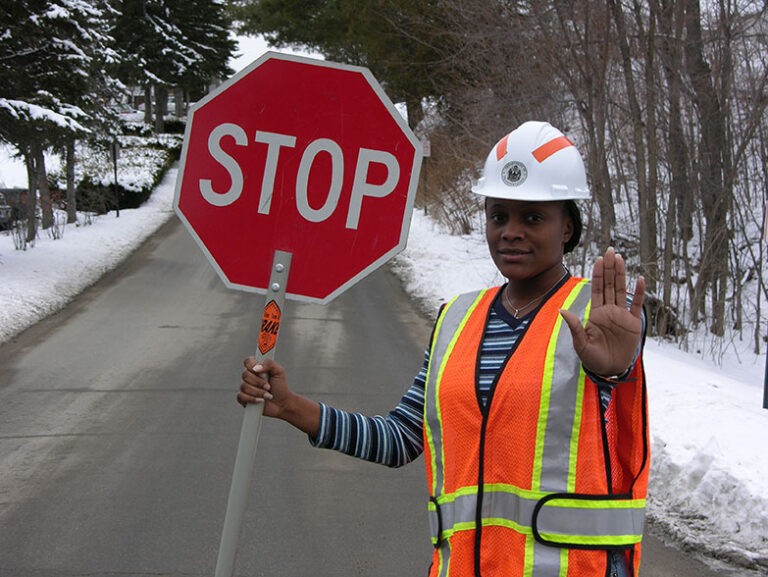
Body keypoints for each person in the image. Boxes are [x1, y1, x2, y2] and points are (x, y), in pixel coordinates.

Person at [238, 121, 649, 577]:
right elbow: (399, 440)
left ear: (567, 226)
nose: (511, 231)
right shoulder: (457, 320)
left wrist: (615, 373)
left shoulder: (598, 320)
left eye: (532, 217)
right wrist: (292, 407)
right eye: (499, 216)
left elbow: (618, 407)